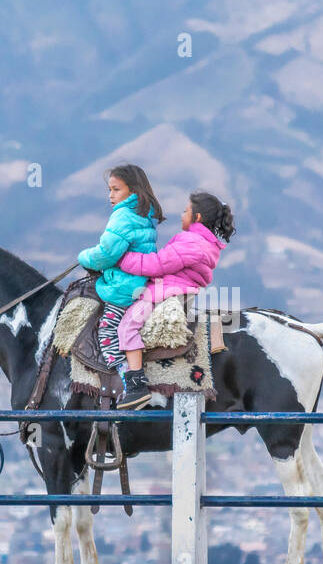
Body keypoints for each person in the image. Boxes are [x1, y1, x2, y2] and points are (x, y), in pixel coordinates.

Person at [114, 190, 235, 408]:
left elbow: (156, 264)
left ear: (196, 217)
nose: (181, 214)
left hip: (165, 293)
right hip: (176, 290)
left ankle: (136, 385)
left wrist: (121, 258)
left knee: (127, 327)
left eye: (185, 210)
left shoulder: (190, 242)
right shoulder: (203, 243)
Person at [75, 164, 164, 377]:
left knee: (107, 329)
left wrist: (83, 257)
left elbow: (107, 253)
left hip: (123, 286)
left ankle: (126, 377)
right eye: (109, 190)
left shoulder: (123, 215)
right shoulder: (144, 214)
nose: (110, 196)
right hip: (139, 282)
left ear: (132, 191)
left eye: (116, 189)